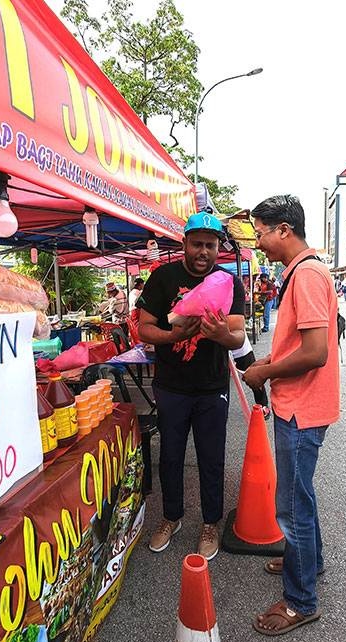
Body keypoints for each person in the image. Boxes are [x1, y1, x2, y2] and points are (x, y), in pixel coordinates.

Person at [243, 195, 340, 637]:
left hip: (301, 407)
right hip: (298, 402)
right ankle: (310, 561)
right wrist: (275, 358)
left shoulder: (307, 273)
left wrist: (264, 369)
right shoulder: (303, 272)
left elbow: (317, 352)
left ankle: (301, 601)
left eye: (261, 232)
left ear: (285, 229)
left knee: (292, 508)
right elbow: (303, 344)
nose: (259, 241)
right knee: (301, 494)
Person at [138, 212, 246, 561]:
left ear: (218, 249)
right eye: (196, 244)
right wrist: (172, 336)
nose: (203, 252)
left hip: (212, 386)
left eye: (210, 246)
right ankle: (171, 517)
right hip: (171, 386)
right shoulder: (162, 277)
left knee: (211, 459)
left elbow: (239, 336)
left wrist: (221, 335)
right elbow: (144, 328)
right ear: (184, 243)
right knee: (170, 456)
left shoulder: (229, 282)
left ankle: (210, 523)